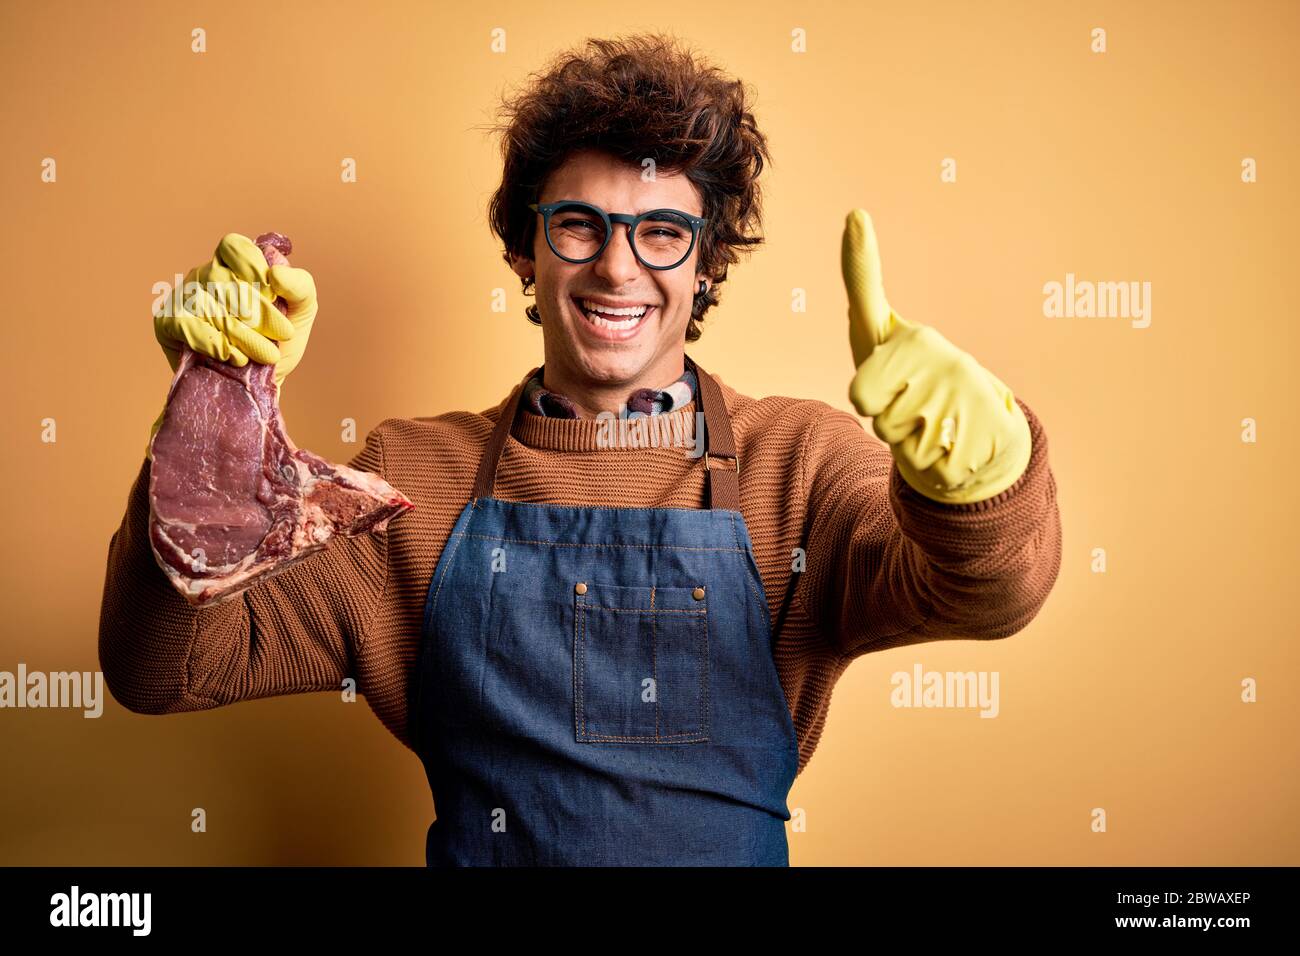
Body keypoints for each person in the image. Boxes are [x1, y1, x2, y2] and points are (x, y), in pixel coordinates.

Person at [99, 33, 1062, 866]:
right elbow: (164, 670)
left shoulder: (795, 463)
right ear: (526, 250)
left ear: (708, 263)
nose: (616, 265)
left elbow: (990, 593)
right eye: (578, 226)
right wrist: (212, 419)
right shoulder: (410, 479)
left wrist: (982, 478)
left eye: (661, 233)